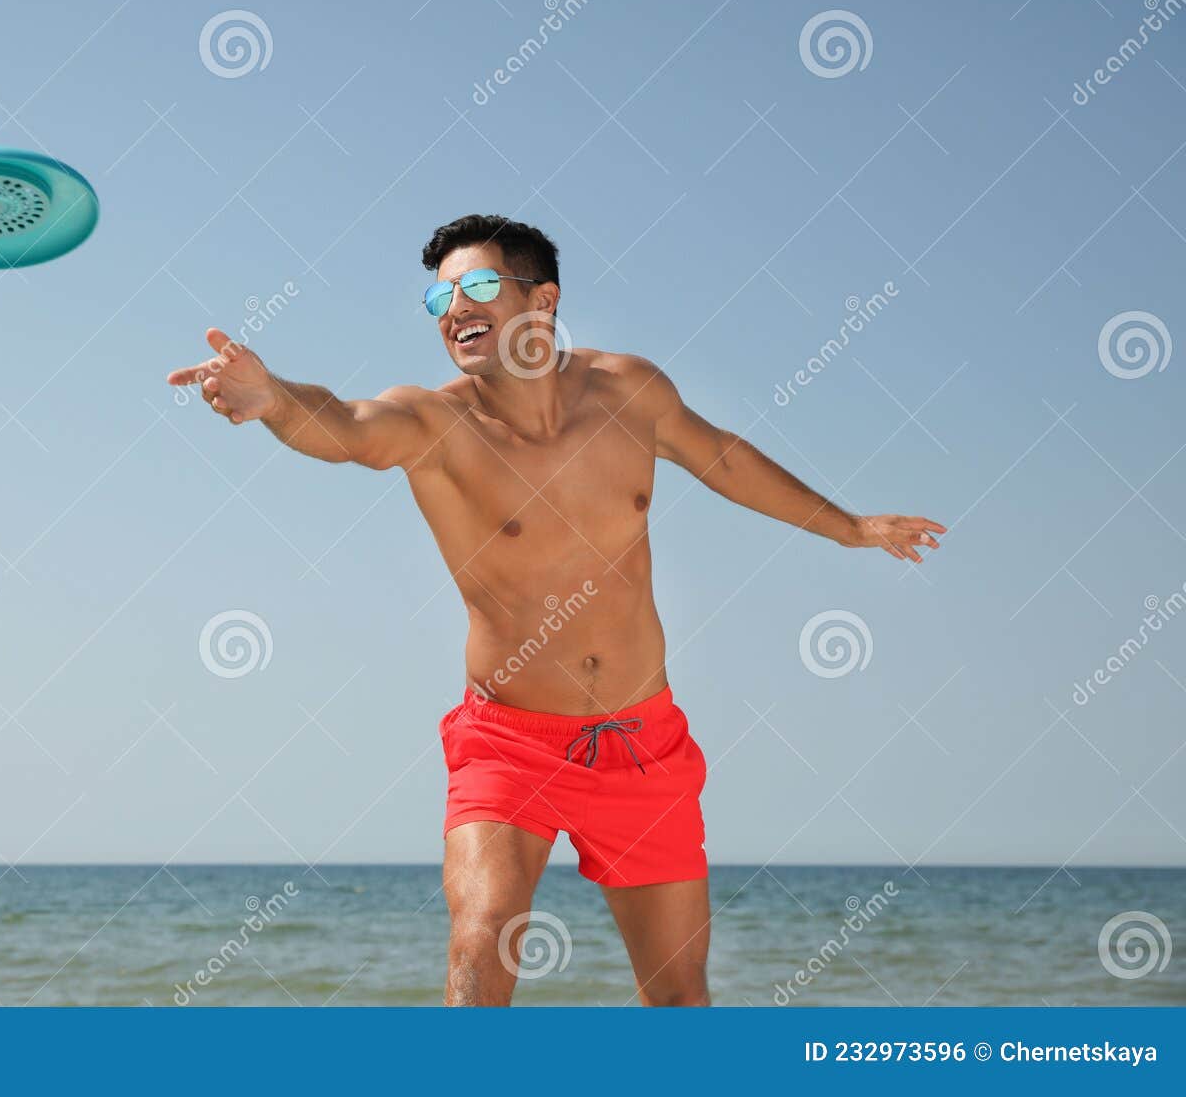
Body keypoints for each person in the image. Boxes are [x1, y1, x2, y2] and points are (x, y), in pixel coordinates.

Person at [165, 214, 945, 1006]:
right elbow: (347, 425)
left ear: (542, 301)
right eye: (438, 296)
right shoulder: (435, 423)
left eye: (474, 287)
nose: (452, 307)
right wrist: (271, 398)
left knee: (679, 992)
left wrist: (848, 526)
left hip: (642, 743)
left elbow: (723, 457)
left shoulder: (630, 392)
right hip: (509, 743)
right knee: (481, 936)